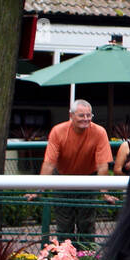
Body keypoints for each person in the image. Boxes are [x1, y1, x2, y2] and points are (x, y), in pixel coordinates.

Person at [33, 99, 115, 240]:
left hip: (88, 180)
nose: (86, 119)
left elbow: (102, 165)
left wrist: (104, 192)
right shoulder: (58, 131)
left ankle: (85, 257)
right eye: (81, 115)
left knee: (87, 225)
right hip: (62, 180)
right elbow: (49, 164)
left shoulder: (99, 132)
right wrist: (39, 190)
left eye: (89, 115)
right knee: (64, 226)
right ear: (71, 116)